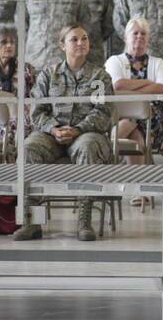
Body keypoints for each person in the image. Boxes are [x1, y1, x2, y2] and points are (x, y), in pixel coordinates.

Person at [25, 24, 115, 242]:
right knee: (29, 149)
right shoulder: (48, 74)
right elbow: (36, 111)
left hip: (87, 133)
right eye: (74, 39)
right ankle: (33, 222)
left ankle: (84, 222)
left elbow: (103, 112)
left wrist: (77, 129)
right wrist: (53, 129)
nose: (80, 43)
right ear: (62, 45)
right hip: (51, 134)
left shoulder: (99, 77)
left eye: (84, 39)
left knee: (86, 148)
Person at [0, 23, 40, 240]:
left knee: (26, 145)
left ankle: (25, 211)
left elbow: (36, 101)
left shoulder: (27, 70)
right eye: (3, 42)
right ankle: (2, 208)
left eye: (12, 42)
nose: (9, 46)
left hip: (23, 125)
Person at [105, 15, 163, 162]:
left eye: (143, 33)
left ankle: (102, 149)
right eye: (135, 33)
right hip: (119, 115)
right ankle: (140, 177)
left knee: (133, 120)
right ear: (125, 37)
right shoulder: (114, 61)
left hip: (152, 117)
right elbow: (117, 86)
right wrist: (147, 82)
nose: (139, 36)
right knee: (137, 139)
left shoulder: (158, 63)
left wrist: (129, 93)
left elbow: (160, 88)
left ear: (148, 39)